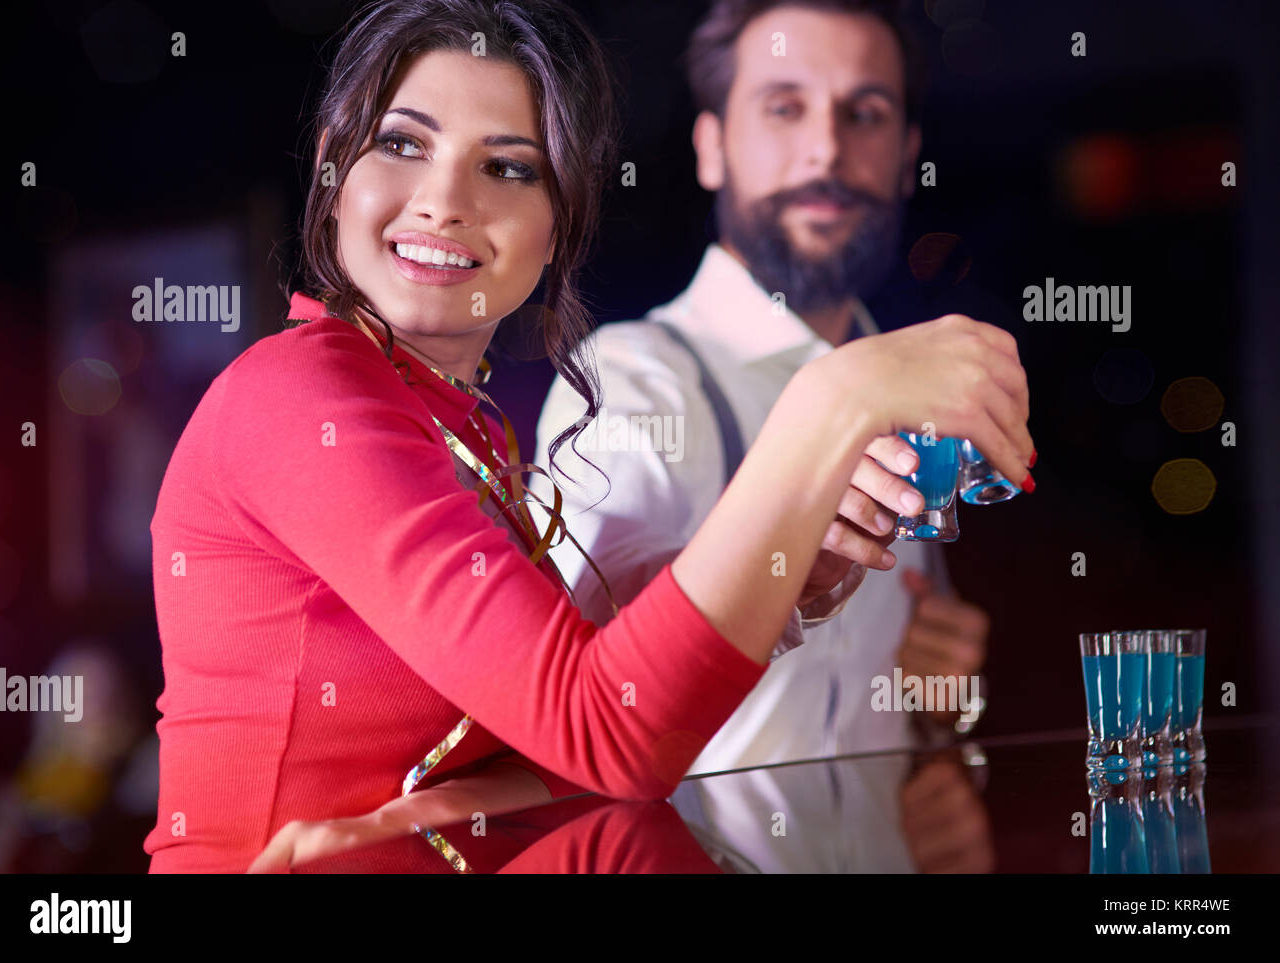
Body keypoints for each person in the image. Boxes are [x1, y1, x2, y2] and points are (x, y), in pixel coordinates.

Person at [144, 0, 1032, 872]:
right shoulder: (299, 393)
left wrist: (793, 583)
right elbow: (607, 726)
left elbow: (557, 735)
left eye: (508, 168)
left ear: (558, 224)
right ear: (336, 170)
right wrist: (835, 396)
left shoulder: (466, 429)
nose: (445, 201)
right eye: (402, 142)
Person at [534, 0, 1031, 771]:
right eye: (784, 107)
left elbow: (898, 708)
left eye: (864, 113)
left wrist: (941, 734)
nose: (826, 149)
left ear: (907, 154)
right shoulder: (628, 379)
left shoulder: (906, 384)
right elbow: (585, 685)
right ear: (712, 147)